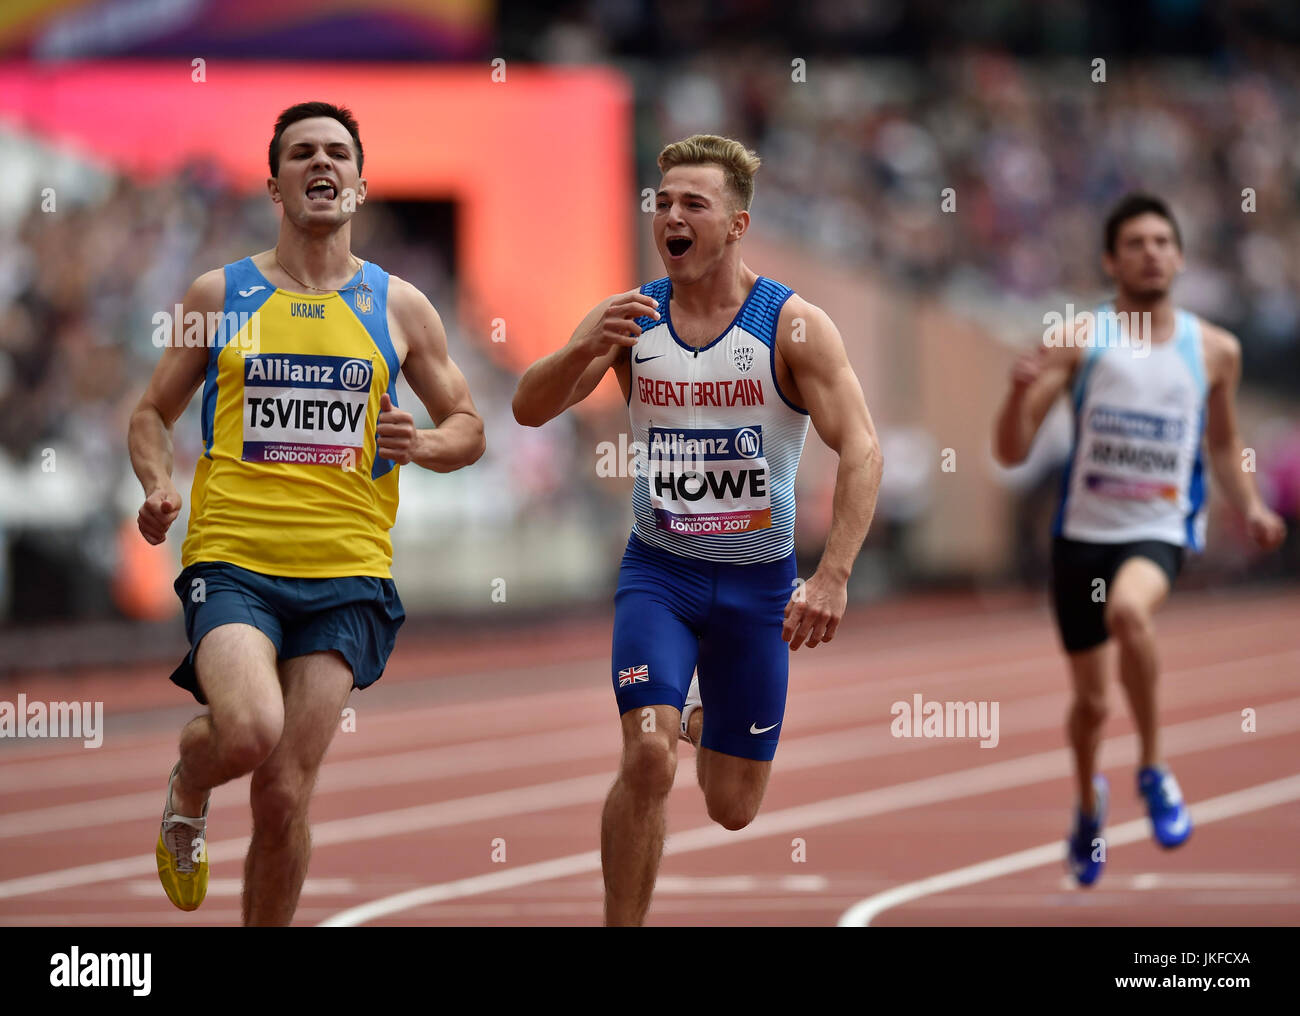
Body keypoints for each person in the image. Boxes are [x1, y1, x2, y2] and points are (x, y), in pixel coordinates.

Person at [128, 101, 485, 924]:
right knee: (249, 731)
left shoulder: (402, 308)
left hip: (348, 574)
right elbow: (151, 413)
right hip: (235, 560)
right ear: (274, 185)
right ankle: (192, 777)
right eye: (301, 155)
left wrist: (424, 444)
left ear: (360, 184)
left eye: (336, 154)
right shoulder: (221, 293)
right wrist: (155, 483)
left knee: (285, 793)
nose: (320, 165)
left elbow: (468, 427)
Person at [512, 135, 883, 925]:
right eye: (662, 203)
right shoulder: (630, 318)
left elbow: (862, 446)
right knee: (646, 753)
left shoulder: (792, 326)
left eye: (692, 204)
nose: (670, 217)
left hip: (757, 589)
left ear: (737, 225)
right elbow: (530, 408)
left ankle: (705, 721)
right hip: (661, 577)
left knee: (732, 807)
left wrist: (833, 574)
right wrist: (584, 343)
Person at [993, 193, 1286, 886]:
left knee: (1130, 613)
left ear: (1180, 257)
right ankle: (1088, 801)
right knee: (1091, 703)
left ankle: (1153, 768)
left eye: (1162, 241)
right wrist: (1014, 394)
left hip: (1159, 528)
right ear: (1110, 259)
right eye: (1136, 243)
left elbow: (1224, 440)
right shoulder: (1078, 338)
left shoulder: (1216, 349)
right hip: (1081, 538)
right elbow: (1010, 452)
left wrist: (1250, 503)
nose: (1151, 252)